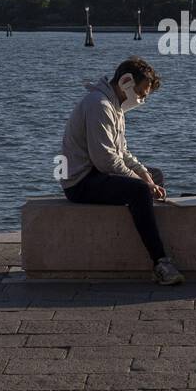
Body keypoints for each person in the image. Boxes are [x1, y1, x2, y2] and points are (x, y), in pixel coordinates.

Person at [59, 56, 184, 285]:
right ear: (126, 81)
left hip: (98, 173)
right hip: (81, 182)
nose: (142, 99)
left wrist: (145, 175)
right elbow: (106, 160)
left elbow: (123, 154)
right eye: (141, 92)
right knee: (139, 190)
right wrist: (143, 184)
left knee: (154, 176)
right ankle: (160, 261)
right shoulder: (100, 106)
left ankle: (147, 223)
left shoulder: (115, 107)